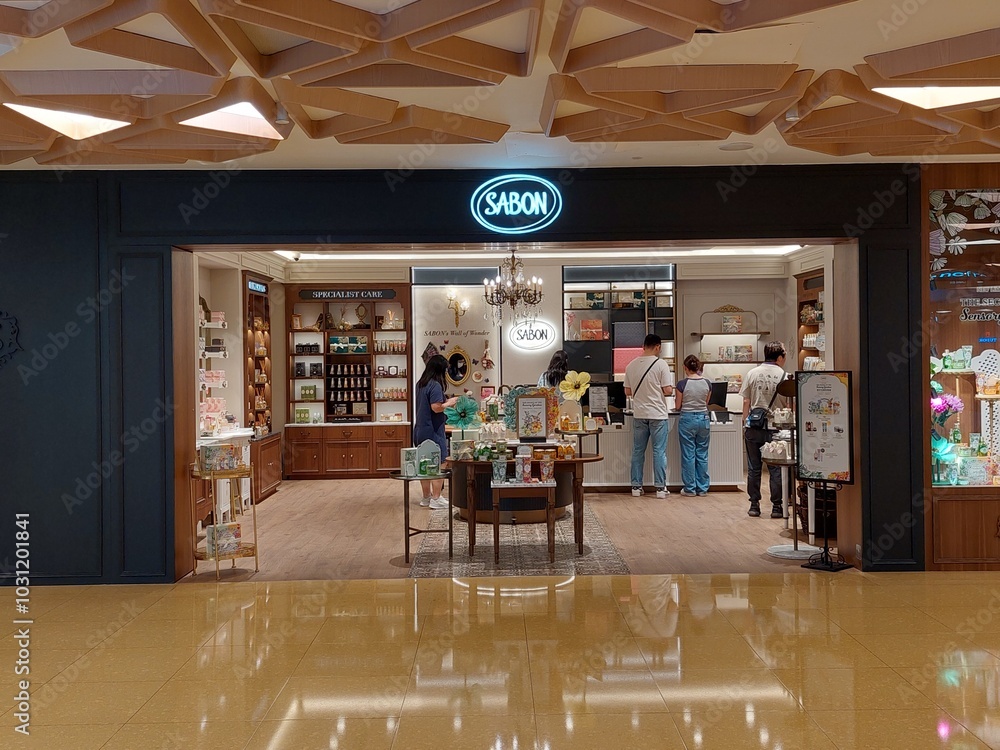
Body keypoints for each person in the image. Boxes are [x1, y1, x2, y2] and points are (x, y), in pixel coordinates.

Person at [740, 341, 789, 518]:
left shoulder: (752, 373)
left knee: (754, 467)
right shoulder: (785, 376)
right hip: (777, 429)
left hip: (754, 426)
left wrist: (744, 422)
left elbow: (746, 401)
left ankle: (754, 505)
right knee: (776, 468)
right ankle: (777, 507)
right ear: (779, 357)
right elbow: (790, 404)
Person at [624, 334, 675, 498]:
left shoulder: (630, 365)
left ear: (643, 346)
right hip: (658, 414)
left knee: (638, 451)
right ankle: (660, 488)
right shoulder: (661, 364)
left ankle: (636, 487)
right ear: (658, 347)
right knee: (659, 451)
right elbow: (668, 390)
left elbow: (627, 391)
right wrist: (655, 390)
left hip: (639, 414)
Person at [414, 354, 458, 509]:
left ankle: (426, 497)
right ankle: (436, 498)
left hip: (419, 429)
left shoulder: (420, 384)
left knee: (424, 464)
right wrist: (450, 403)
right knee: (440, 463)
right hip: (433, 430)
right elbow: (436, 407)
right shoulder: (435, 385)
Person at [674, 354, 711, 497]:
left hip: (687, 419)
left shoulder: (682, 384)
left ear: (685, 368)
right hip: (703, 418)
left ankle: (690, 488)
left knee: (688, 454)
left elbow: (678, 406)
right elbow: (705, 403)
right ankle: (702, 489)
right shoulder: (707, 383)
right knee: (702, 454)